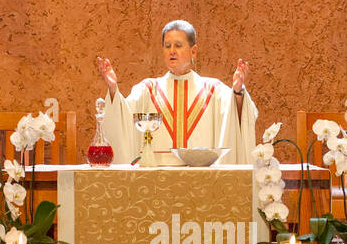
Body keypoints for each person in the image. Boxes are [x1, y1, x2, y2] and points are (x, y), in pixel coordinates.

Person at [96, 19, 257, 164]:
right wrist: (112, 89)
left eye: (178, 45)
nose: (172, 51)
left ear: (193, 51)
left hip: (202, 181)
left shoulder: (213, 89)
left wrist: (237, 92)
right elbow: (122, 118)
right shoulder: (148, 89)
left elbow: (237, 116)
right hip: (157, 180)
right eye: (167, 46)